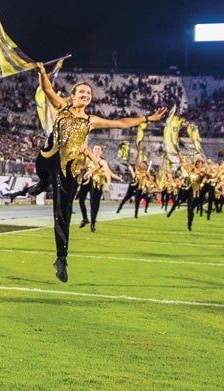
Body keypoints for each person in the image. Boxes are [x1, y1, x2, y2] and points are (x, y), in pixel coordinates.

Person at [36, 62, 165, 282]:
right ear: (73, 95)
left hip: (72, 171)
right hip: (52, 160)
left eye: (89, 93)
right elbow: (47, 89)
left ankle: (61, 258)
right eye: (82, 92)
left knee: (63, 213)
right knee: (47, 181)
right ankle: (38, 185)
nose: (86, 95)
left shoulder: (91, 120)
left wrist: (146, 119)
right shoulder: (61, 107)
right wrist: (41, 73)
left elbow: (122, 123)